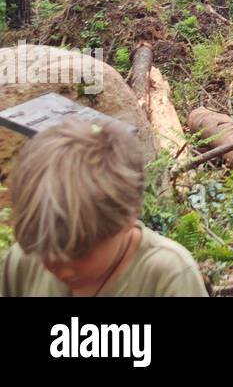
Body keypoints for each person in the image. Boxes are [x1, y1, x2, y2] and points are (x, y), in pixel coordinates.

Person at [0, 117, 207, 296]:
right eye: (47, 255)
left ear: (129, 215)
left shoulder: (168, 275)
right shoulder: (23, 263)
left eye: (79, 254)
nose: (62, 271)